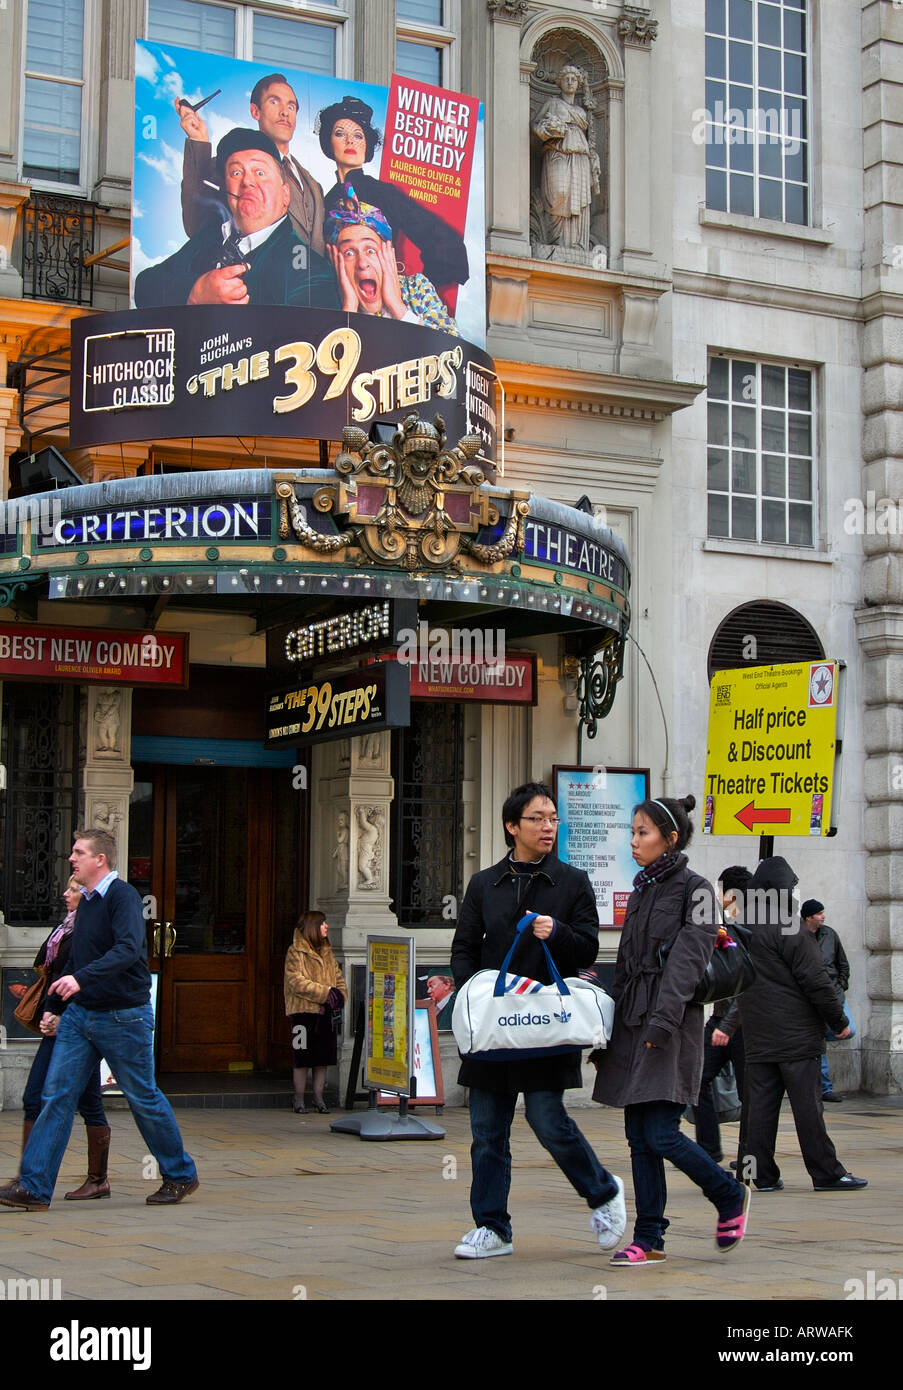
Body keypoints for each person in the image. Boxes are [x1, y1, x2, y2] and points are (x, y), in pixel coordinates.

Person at [450, 781, 626, 1260]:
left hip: (546, 1022)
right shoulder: (485, 883)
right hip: (495, 1025)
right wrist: (474, 994)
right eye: (537, 818)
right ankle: (492, 1228)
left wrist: (559, 931)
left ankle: (604, 1192)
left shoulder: (571, 882)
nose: (548, 826)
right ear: (512, 826)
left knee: (549, 1121)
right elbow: (465, 945)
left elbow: (588, 946)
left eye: (553, 818)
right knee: (487, 1130)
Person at [0, 830, 198, 1212]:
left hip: (124, 1016)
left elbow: (128, 949)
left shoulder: (121, 896)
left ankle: (180, 1174)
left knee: (142, 1097)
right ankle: (35, 1188)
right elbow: (75, 961)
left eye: (79, 852)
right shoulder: (87, 902)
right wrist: (55, 1009)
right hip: (80, 1016)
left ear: (100, 860)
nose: (71, 858)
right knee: (55, 1097)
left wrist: (81, 979)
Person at [592, 795, 751, 1266]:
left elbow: (685, 966)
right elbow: (625, 965)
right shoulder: (642, 890)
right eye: (633, 832)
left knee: (661, 1133)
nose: (634, 842)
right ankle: (650, 1238)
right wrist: (610, 1029)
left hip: (672, 1026)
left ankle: (727, 1194)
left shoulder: (696, 890)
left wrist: (660, 1024)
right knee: (639, 1136)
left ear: (671, 838)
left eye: (643, 833)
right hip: (633, 1023)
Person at [736, 858, 866, 1193]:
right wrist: (839, 1021)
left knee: (760, 1111)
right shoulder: (789, 928)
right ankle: (827, 1173)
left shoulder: (743, 927)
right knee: (808, 1108)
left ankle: (757, 1174)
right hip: (795, 1035)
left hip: (758, 1033)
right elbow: (817, 981)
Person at [134, 128, 339, 310]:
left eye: (260, 172)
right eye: (236, 172)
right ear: (225, 190)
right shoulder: (210, 236)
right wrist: (195, 292)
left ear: (286, 195)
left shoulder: (311, 270)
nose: (247, 181)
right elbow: (145, 287)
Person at [7, 877, 112, 1201]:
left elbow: (86, 974)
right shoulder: (67, 926)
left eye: (72, 890)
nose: (65, 895)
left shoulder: (92, 931)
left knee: (37, 1095)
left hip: (76, 1022)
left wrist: (62, 1013)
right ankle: (89, 1180)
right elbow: (47, 966)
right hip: (59, 1020)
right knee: (87, 1099)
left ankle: (37, 1178)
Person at [316, 95, 469, 299]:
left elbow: (445, 242)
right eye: (340, 133)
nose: (350, 140)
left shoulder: (383, 193)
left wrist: (413, 294)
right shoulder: (324, 201)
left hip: (381, 303)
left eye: (358, 135)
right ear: (329, 142)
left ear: (367, 145)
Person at [177, 72, 327, 257]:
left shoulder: (313, 184)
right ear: (255, 111)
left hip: (309, 284)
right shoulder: (232, 170)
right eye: (274, 102)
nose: (285, 112)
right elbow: (195, 225)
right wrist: (198, 140)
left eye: (291, 106)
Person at [324, 188, 459, 333]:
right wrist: (348, 310)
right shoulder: (326, 297)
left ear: (389, 254)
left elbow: (455, 348)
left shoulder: (416, 287)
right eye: (349, 253)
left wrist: (398, 307)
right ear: (334, 260)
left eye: (370, 250)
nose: (362, 263)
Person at [693, 864, 750, 1162]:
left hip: (741, 1026)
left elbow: (747, 986)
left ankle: (751, 1158)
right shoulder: (726, 923)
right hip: (720, 1019)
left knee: (749, 1094)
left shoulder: (750, 929)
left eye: (720, 889)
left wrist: (727, 1026)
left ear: (731, 894)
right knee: (697, 1078)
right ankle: (708, 1149)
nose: (716, 895)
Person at [531, 65, 601, 253]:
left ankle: (575, 243)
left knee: (577, 199)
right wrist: (548, 129)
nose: (570, 82)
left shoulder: (582, 111)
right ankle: (554, 239)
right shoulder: (552, 103)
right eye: (566, 78)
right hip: (557, 151)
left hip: (579, 156)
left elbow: (590, 137)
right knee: (559, 192)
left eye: (574, 79)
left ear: (578, 84)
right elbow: (535, 125)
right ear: (559, 82)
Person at [284, 910, 347, 1115]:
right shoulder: (295, 951)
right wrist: (326, 992)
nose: (326, 927)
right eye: (322, 924)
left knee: (322, 1058)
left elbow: (338, 978)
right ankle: (299, 1098)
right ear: (313, 927)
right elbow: (295, 982)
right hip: (302, 1013)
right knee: (301, 1058)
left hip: (325, 1014)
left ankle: (319, 1098)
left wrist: (340, 995)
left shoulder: (328, 951)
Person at [800, 898, 853, 1101]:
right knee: (819, 1038)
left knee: (850, 1030)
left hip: (834, 994)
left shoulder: (830, 934)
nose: (823, 916)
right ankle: (825, 1088)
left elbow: (843, 964)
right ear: (808, 917)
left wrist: (841, 985)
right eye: (820, 913)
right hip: (812, 996)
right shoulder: (799, 936)